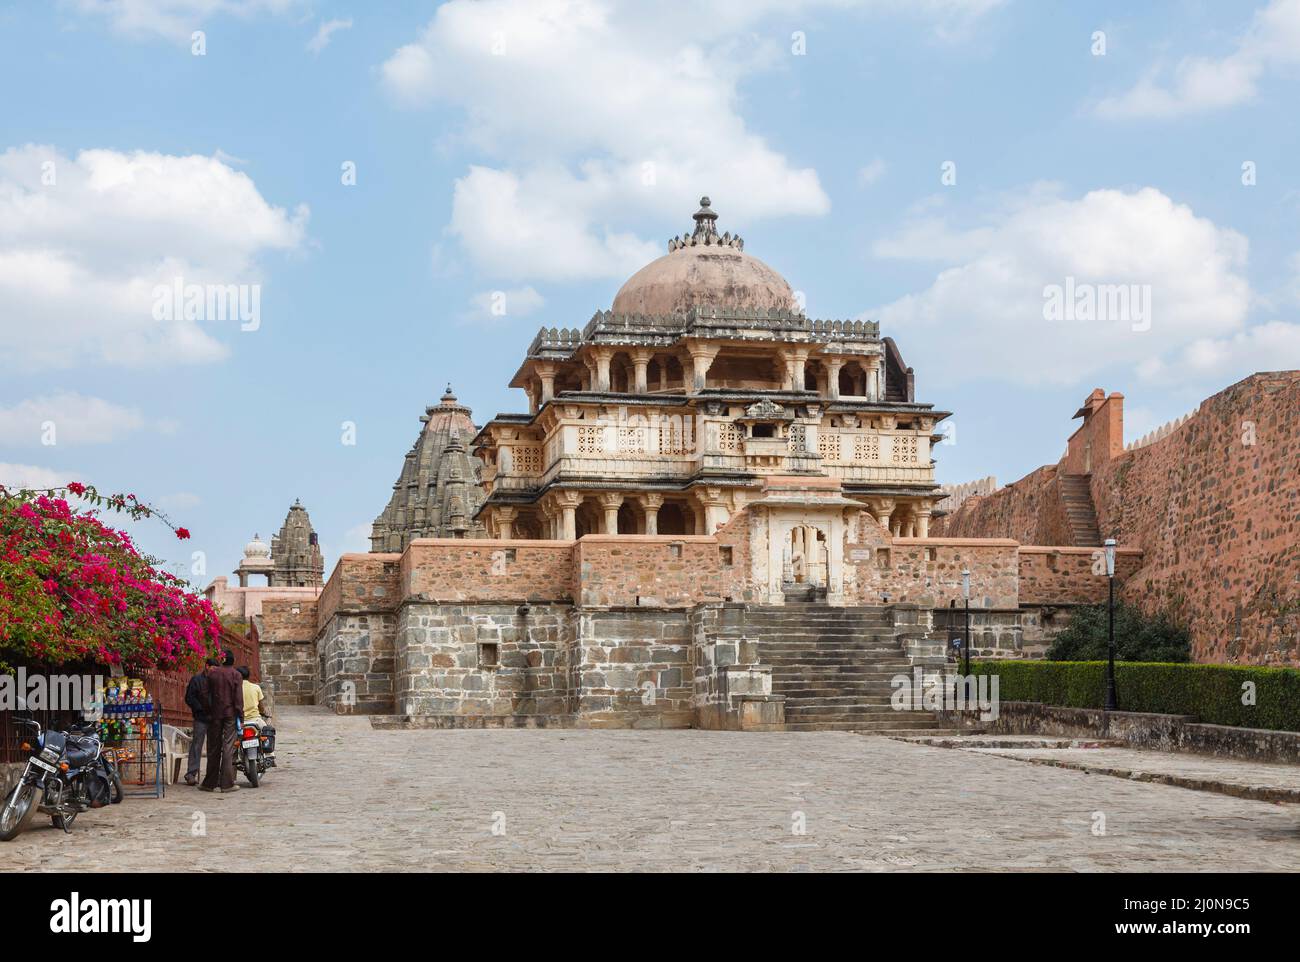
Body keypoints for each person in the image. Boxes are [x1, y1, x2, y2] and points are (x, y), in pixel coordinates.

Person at [200, 650, 243, 794]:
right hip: (230, 713)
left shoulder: (212, 674)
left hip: (215, 714)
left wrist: (208, 710)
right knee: (228, 747)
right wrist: (240, 716)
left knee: (214, 747)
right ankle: (226, 783)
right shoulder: (236, 674)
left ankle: (209, 783)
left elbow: (205, 694)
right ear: (233, 660)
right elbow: (238, 698)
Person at [182, 658, 217, 786]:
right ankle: (191, 774)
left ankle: (212, 774)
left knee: (213, 747)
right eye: (213, 668)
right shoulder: (196, 680)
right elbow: (189, 698)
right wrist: (199, 709)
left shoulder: (216, 680)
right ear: (207, 666)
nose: (215, 671)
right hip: (200, 718)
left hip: (214, 718)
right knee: (197, 745)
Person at [237, 666, 276, 768]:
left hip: (240, 722)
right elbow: (261, 706)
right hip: (255, 720)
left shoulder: (235, 688)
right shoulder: (256, 687)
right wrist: (264, 713)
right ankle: (270, 756)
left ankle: (236, 756)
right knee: (267, 732)